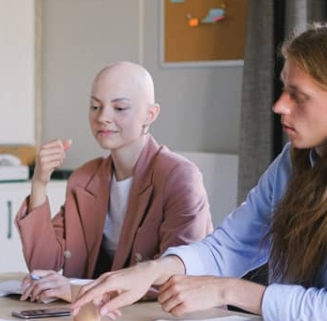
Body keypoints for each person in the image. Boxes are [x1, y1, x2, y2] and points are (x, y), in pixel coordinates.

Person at [72, 22, 327, 321]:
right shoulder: (295, 159)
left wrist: (226, 290)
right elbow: (231, 245)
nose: (279, 106)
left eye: (298, 96)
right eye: (284, 89)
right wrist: (151, 271)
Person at [16, 61, 214, 304]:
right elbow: (43, 266)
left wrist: (78, 291)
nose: (103, 117)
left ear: (150, 114)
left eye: (120, 108)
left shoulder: (179, 177)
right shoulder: (83, 179)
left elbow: (180, 276)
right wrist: (39, 183)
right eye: (95, 106)